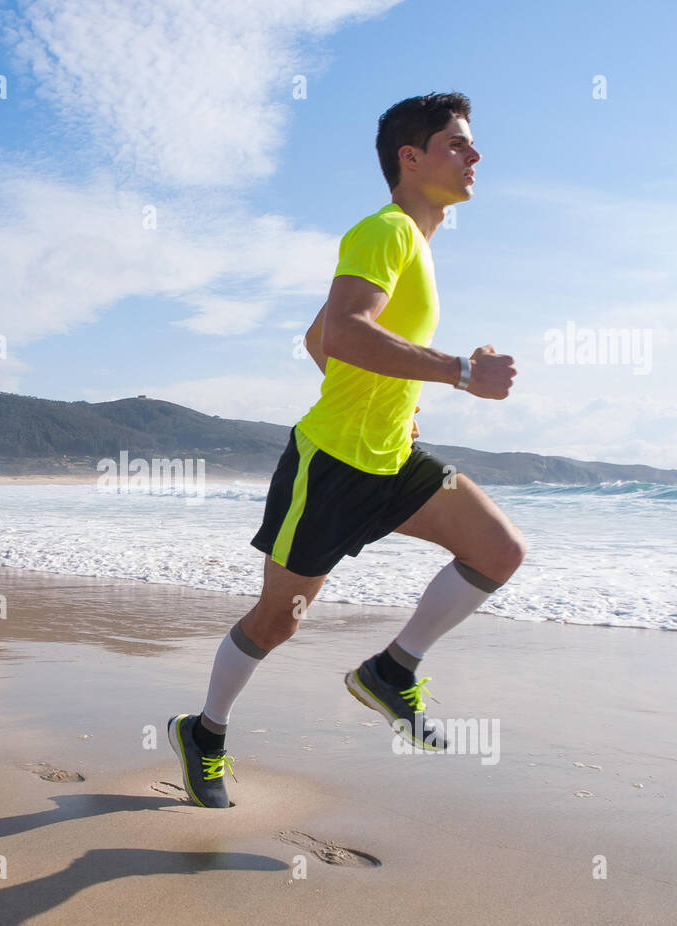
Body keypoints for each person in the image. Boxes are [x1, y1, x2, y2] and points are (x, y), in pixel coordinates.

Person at [169, 92, 525, 808]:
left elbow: (316, 340)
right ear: (411, 157)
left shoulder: (417, 245)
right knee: (278, 621)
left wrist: (398, 400)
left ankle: (393, 671)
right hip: (330, 465)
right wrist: (458, 372)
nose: (475, 154)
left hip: (391, 458)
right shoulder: (384, 231)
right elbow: (342, 334)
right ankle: (204, 732)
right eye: (458, 143)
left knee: (500, 551)